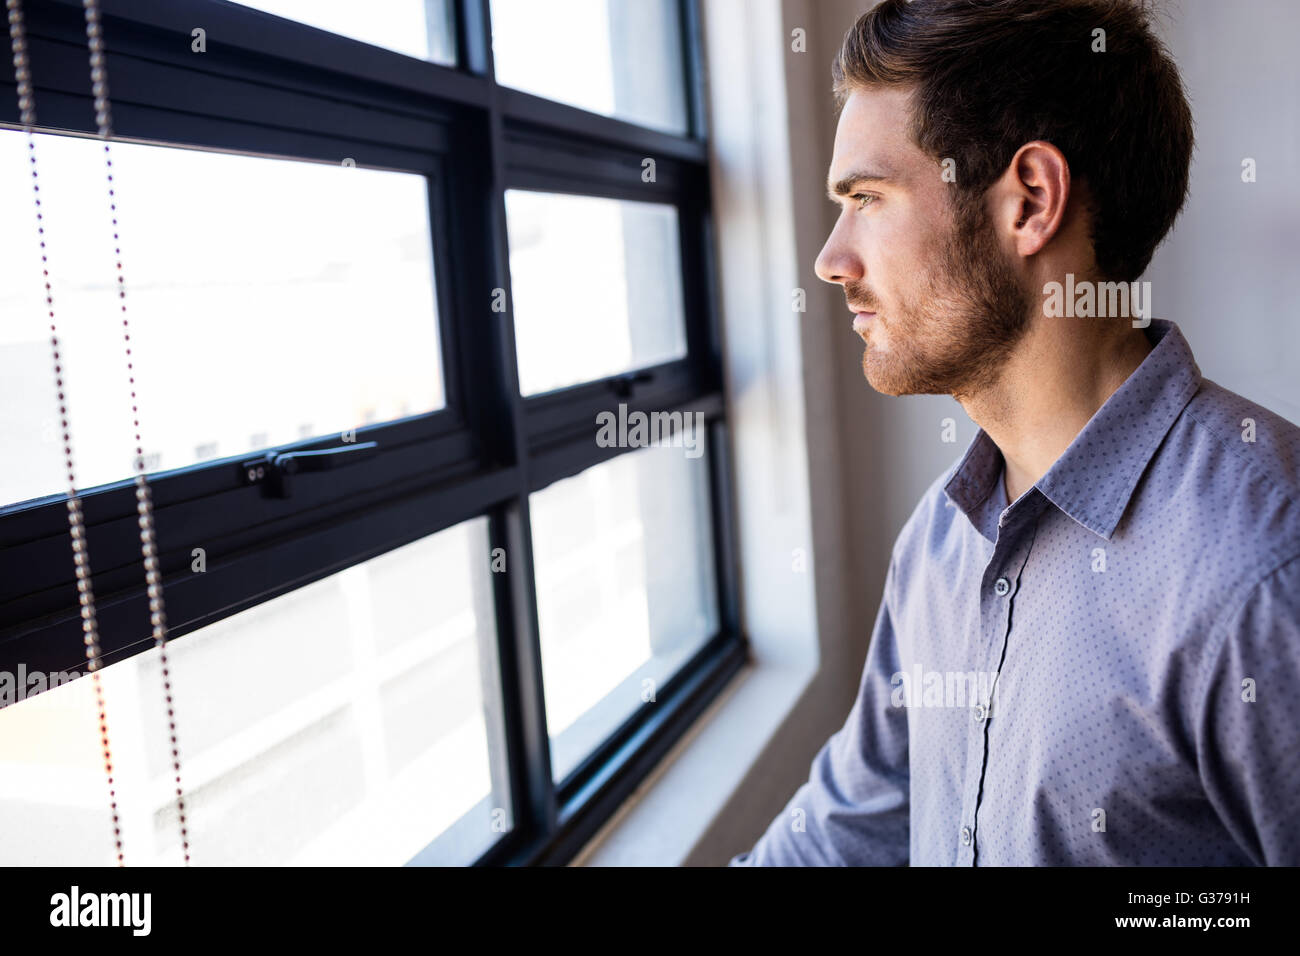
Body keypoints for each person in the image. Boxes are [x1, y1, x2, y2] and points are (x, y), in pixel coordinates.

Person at [731, 0, 1300, 866]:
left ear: (1030, 201)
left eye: (868, 198)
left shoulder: (1261, 561)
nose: (831, 259)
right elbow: (847, 832)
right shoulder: (935, 545)